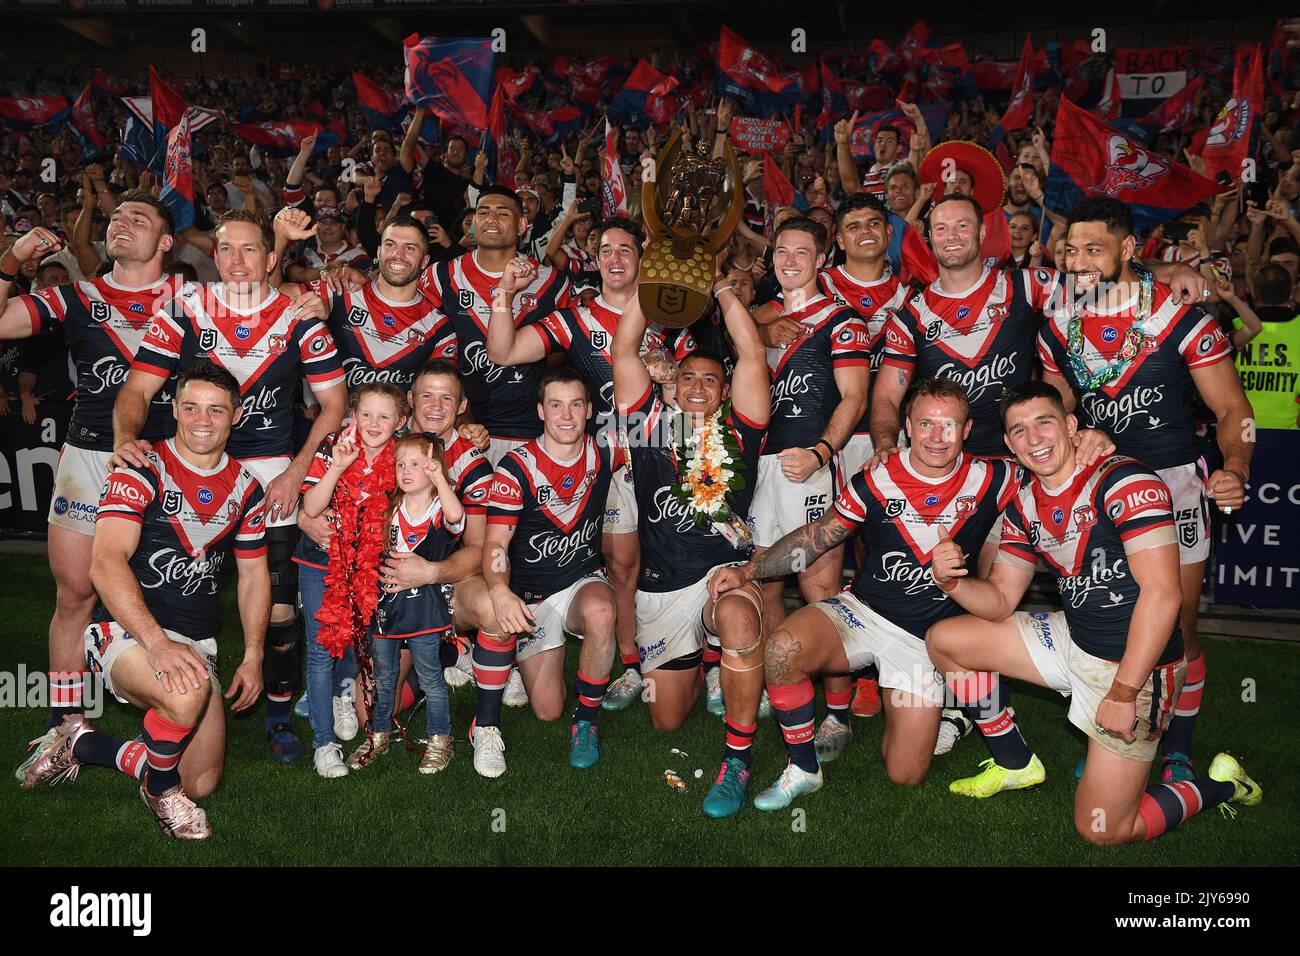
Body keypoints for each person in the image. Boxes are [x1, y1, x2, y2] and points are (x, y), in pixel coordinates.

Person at [926, 382, 1261, 844]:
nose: (1034, 439)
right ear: (1008, 443)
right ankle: (1016, 761)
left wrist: (1123, 693)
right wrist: (953, 581)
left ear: (1070, 426)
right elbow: (1002, 599)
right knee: (946, 640)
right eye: (1019, 430)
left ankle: (1223, 784)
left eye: (1045, 422)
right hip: (1075, 640)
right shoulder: (1024, 502)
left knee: (1104, 829)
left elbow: (1164, 597)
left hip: (1135, 670)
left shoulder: (1125, 481)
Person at [712, 378, 1020, 808]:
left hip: (927, 640)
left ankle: (951, 704)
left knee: (905, 773)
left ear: (967, 431)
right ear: (907, 426)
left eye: (949, 426)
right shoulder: (876, 478)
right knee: (782, 650)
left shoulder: (995, 476)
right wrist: (750, 570)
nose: (936, 437)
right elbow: (817, 537)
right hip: (863, 613)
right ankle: (803, 768)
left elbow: (1058, 471)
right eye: (926, 424)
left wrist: (1090, 443)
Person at [111, 209, 347, 763]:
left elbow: (335, 405)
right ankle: (157, 680)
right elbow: (139, 389)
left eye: (249, 250)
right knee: (171, 589)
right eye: (225, 249)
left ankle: (279, 718)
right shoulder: (182, 311)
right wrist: (125, 436)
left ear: (271, 258)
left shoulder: (301, 318)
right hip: (192, 471)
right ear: (212, 256)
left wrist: (294, 471)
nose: (236, 260)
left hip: (270, 475)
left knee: (278, 606)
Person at [1039, 197, 1253, 783]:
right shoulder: (1058, 321)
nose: (1078, 262)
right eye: (1071, 249)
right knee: (1108, 617)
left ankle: (1178, 745)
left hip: (1176, 487)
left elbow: (1235, 408)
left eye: (1094, 248)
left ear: (1129, 249)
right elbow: (1058, 401)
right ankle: (1116, 731)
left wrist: (1235, 465)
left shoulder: (1182, 318)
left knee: (1177, 628)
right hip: (1099, 490)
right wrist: (1070, 431)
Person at [20, 362, 270, 841]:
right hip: (128, 633)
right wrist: (156, 643)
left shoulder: (247, 487)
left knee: (199, 781)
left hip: (197, 642)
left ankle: (84, 744)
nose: (202, 420)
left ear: (236, 416)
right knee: (184, 696)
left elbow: (254, 575)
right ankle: (159, 787)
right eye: (191, 407)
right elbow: (106, 563)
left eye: (217, 410)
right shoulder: (140, 468)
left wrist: (254, 654)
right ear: (172, 408)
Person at [1, 192, 184, 780]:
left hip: (170, 462)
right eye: (117, 217)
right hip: (90, 457)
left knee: (163, 598)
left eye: (140, 219)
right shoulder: (77, 295)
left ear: (165, 243)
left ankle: (168, 712)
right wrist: (10, 264)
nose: (121, 224)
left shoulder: (194, 300)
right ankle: (64, 727)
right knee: (74, 597)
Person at [612, 272, 770, 819]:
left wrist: (722, 289)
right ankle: (706, 664)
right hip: (663, 589)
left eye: (710, 379)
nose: (699, 387)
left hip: (724, 576)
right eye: (688, 379)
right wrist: (653, 283)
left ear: (724, 391)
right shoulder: (648, 429)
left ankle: (738, 759)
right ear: (673, 386)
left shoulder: (742, 430)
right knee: (667, 720)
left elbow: (751, 354)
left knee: (740, 623)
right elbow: (623, 347)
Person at [484, 218, 654, 713]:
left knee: (661, 556)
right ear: (595, 259)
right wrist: (504, 294)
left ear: (640, 258)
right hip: (602, 456)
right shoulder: (577, 317)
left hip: (658, 447)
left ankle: (670, 655)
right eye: (606, 250)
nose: (616, 258)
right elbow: (504, 350)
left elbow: (692, 386)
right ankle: (624, 660)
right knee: (620, 564)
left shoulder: (665, 311)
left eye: (626, 249)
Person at [747, 215, 871, 752]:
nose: (790, 261)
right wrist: (757, 328)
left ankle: (839, 713)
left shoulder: (844, 321)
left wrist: (822, 452)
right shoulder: (767, 316)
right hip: (763, 466)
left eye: (802, 252)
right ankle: (786, 684)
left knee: (820, 588)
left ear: (823, 260)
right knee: (767, 582)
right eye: (782, 252)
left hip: (811, 464)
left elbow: (855, 397)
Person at [476, 368, 620, 774]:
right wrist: (501, 592)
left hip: (580, 582)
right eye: (556, 405)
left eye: (576, 405)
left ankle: (588, 720)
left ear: (590, 410)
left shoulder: (606, 449)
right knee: (547, 711)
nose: (567, 416)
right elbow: (495, 545)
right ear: (540, 410)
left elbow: (671, 424)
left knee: (602, 612)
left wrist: (665, 382)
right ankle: (507, 663)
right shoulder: (514, 467)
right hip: (531, 598)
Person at [294, 384, 408, 776]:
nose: (373, 424)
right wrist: (339, 466)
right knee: (321, 647)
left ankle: (346, 690)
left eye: (384, 416)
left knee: (363, 639)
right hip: (321, 563)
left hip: (372, 566)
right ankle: (323, 743)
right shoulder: (332, 445)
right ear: (353, 416)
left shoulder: (404, 457)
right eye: (366, 415)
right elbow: (310, 506)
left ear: (400, 422)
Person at [417, 186, 573, 468]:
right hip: (458, 428)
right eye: (483, 212)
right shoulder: (440, 276)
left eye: (503, 214)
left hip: (529, 429)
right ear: (473, 222)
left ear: (522, 225)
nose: (491, 219)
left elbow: (566, 353)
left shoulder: (553, 283)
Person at [1231, 263, 1299, 428]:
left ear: (1253, 291)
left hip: (1241, 428)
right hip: (1290, 431)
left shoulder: (1236, 329)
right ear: (1291, 291)